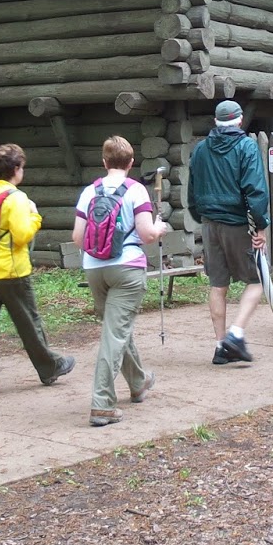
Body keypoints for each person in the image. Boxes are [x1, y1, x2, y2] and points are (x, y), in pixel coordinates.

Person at [0, 144, 74, 403]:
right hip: (12, 273)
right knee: (29, 324)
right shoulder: (16, 199)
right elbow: (23, 235)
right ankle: (50, 368)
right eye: (22, 167)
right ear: (16, 169)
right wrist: (35, 216)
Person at [73, 137, 167, 427]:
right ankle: (102, 404)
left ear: (104, 162)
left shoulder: (90, 192)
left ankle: (138, 382)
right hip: (126, 269)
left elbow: (78, 238)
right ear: (130, 163)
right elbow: (148, 235)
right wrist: (160, 227)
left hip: (94, 270)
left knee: (117, 329)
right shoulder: (136, 191)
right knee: (114, 335)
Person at [187, 99, 269, 365]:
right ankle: (236, 334)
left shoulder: (200, 150)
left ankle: (221, 346)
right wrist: (261, 226)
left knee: (217, 285)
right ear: (240, 120)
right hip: (236, 224)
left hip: (209, 223)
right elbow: (255, 190)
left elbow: (192, 191)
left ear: (215, 122)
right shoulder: (246, 146)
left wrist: (201, 217)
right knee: (257, 281)